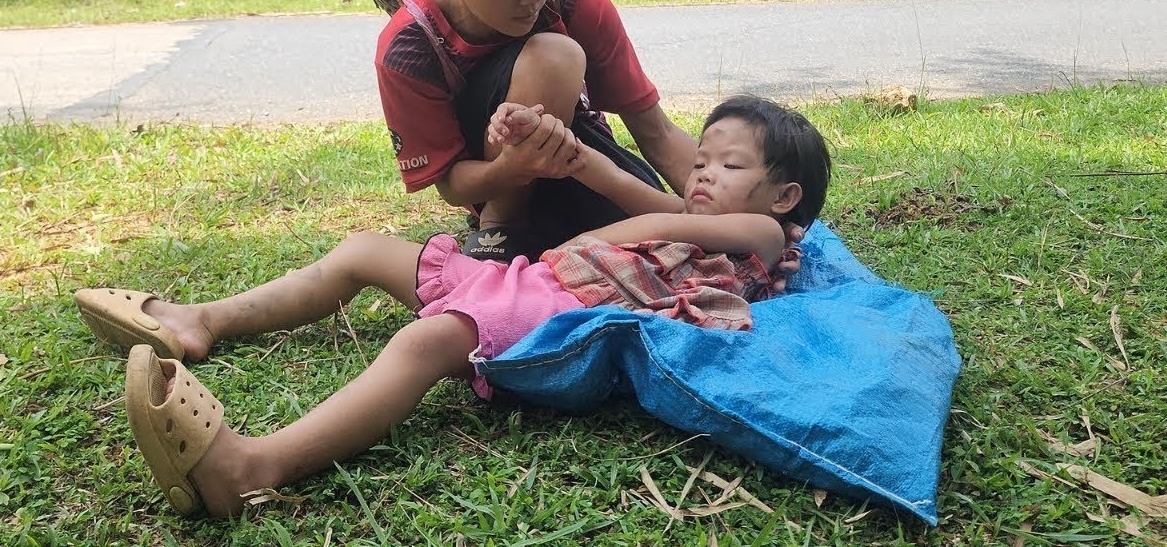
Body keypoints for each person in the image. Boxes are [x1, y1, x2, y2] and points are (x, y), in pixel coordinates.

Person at [76, 96, 831, 517]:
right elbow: (654, 204)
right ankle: (199, 319)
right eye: (698, 160)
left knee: (423, 344)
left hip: (561, 314)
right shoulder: (711, 215)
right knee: (362, 249)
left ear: (785, 195)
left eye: (727, 165)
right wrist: (591, 179)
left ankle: (251, 465)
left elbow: (660, 218)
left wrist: (611, 216)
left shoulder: (765, 232)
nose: (701, 175)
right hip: (538, 283)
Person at [377, 0, 705, 262]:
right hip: (496, 185)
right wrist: (509, 169)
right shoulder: (408, 50)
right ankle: (500, 234)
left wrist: (722, 210)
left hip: (580, 158)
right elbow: (453, 184)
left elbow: (655, 130)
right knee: (554, 57)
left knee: (669, 250)